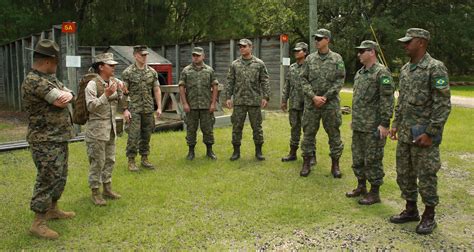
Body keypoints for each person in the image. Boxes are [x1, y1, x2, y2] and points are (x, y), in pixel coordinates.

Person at [389, 28, 451, 234]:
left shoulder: (435, 68)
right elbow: (402, 101)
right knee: (404, 174)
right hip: (406, 133)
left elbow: (442, 104)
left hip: (423, 134)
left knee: (426, 175)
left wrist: (431, 132)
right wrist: (396, 124)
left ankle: (429, 215)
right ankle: (410, 209)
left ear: (422, 43)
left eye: (409, 41)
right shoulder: (406, 69)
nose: (405, 45)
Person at [22, 39, 75, 239]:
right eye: (55, 61)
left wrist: (67, 93)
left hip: (57, 136)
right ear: (48, 61)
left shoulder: (49, 78)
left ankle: (53, 209)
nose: (57, 65)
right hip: (44, 139)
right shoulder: (34, 80)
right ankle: (38, 223)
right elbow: (61, 100)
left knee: (60, 175)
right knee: (47, 177)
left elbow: (68, 92)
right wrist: (67, 94)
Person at [346, 40, 394, 205]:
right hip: (359, 125)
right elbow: (357, 99)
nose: (359, 54)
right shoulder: (360, 73)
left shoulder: (381, 73)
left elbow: (387, 100)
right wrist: (354, 118)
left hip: (373, 127)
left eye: (362, 51)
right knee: (357, 158)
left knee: (373, 160)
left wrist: (384, 124)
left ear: (372, 52)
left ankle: (374, 192)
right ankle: (361, 186)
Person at [300, 28, 345, 177]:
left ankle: (335, 165)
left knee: (334, 135)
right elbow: (303, 79)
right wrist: (313, 97)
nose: (316, 41)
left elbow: (340, 80)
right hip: (312, 104)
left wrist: (325, 97)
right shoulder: (309, 59)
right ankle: (306, 163)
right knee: (308, 134)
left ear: (327, 40)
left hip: (330, 104)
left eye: (319, 39)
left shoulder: (337, 58)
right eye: (315, 39)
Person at [85, 53, 125, 206]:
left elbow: (121, 103)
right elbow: (90, 106)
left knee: (110, 159)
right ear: (101, 66)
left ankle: (107, 188)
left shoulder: (115, 82)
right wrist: (106, 95)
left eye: (114, 65)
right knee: (97, 162)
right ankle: (95, 192)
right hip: (96, 131)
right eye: (111, 65)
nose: (114, 67)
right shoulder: (92, 84)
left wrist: (122, 93)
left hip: (111, 129)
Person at [225, 38, 270, 161]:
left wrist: (266, 96)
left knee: (257, 127)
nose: (241, 48)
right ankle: (236, 152)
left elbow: (264, 80)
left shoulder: (259, 64)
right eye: (240, 46)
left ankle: (259, 152)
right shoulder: (235, 64)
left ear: (251, 47)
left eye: (244, 46)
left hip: (254, 101)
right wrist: (228, 97)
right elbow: (230, 81)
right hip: (239, 101)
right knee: (236, 127)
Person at [122, 45, 162, 171]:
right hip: (134, 109)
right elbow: (124, 92)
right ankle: (131, 160)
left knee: (147, 134)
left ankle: (144, 158)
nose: (144, 57)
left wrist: (159, 107)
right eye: (142, 55)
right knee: (133, 135)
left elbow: (156, 89)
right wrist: (125, 109)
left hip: (148, 108)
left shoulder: (152, 72)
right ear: (135, 55)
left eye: (146, 55)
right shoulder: (128, 72)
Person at [178, 47, 219, 160]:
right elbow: (181, 87)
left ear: (203, 56)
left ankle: (209, 151)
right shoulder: (186, 71)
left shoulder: (209, 70)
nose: (196, 57)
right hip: (191, 106)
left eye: (198, 55)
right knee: (191, 129)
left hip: (206, 106)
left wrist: (213, 104)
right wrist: (185, 103)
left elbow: (215, 87)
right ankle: (191, 152)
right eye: (194, 55)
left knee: (208, 129)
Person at [281, 42, 308, 162]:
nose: (296, 53)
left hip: (307, 104)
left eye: (299, 51)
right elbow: (287, 85)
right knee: (294, 128)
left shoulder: (310, 66)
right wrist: (284, 100)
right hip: (294, 103)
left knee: (308, 130)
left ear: (305, 52)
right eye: (295, 51)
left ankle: (310, 155)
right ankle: (292, 153)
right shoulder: (292, 67)